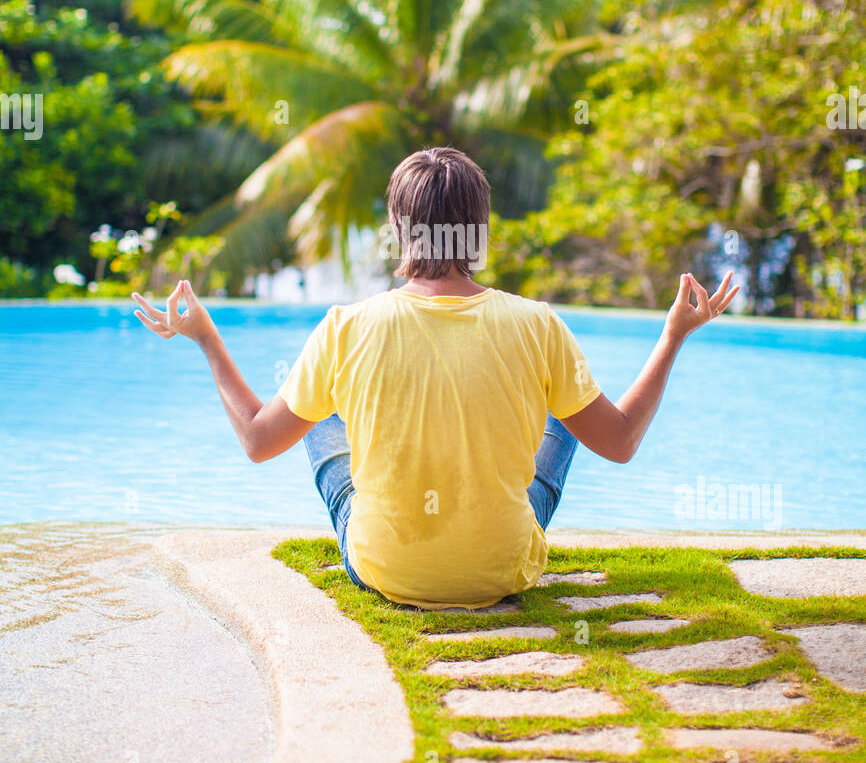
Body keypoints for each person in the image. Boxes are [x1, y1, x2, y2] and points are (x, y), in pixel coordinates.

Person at [132, 147, 739, 609]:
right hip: (504, 569)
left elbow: (260, 441)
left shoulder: (347, 327)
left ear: (398, 227)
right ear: (480, 226)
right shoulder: (537, 324)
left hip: (387, 570)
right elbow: (621, 440)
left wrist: (208, 340)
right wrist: (673, 336)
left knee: (323, 414)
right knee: (567, 403)